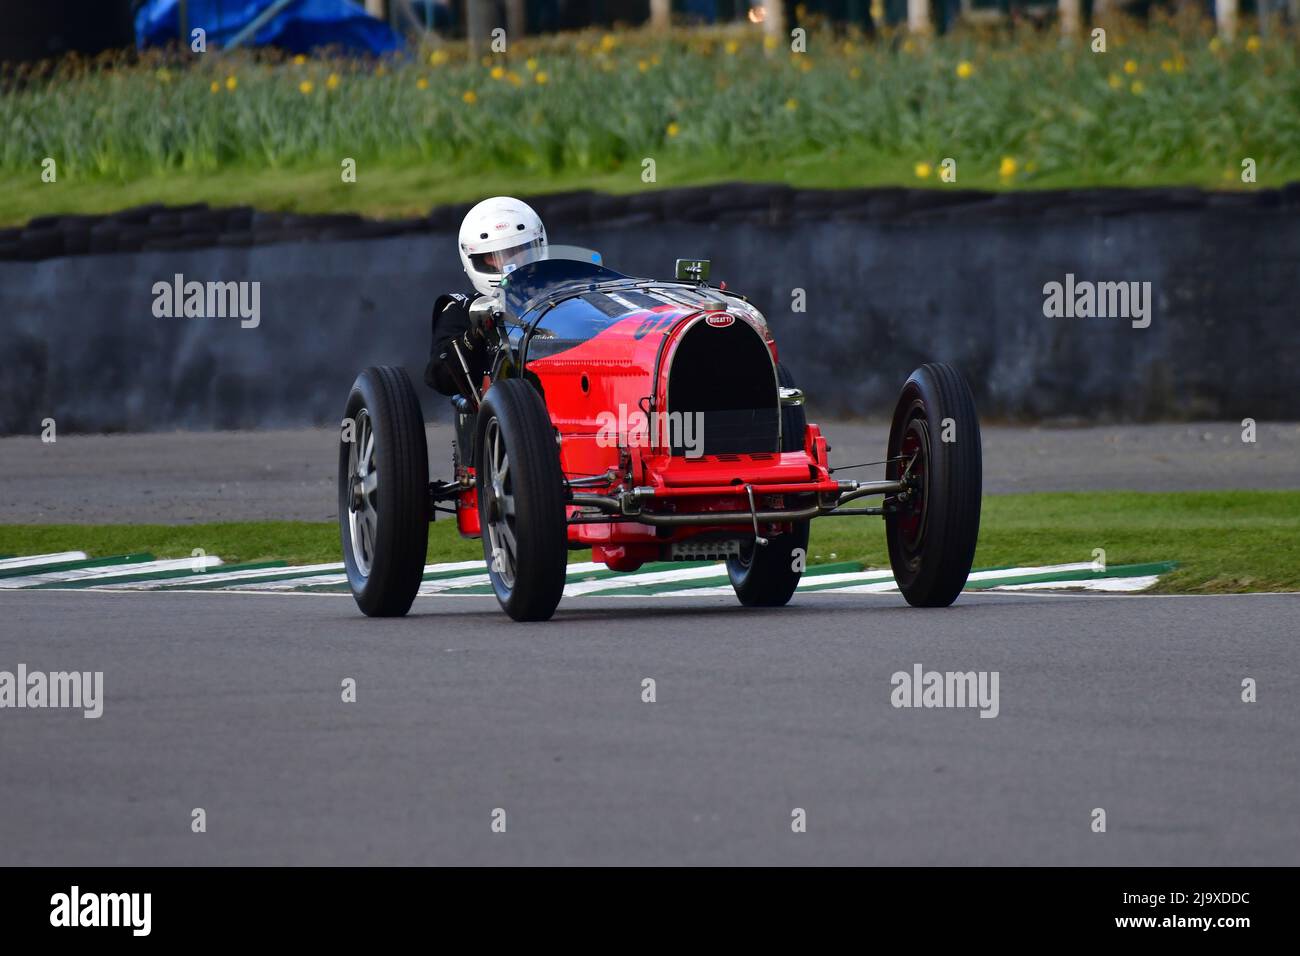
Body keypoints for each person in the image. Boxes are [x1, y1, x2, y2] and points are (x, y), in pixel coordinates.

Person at [425, 196, 547, 397]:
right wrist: (476, 333)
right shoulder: (462, 308)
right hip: (504, 407)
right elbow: (438, 377)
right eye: (495, 256)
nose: (511, 262)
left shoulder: (557, 295)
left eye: (518, 251)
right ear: (477, 260)